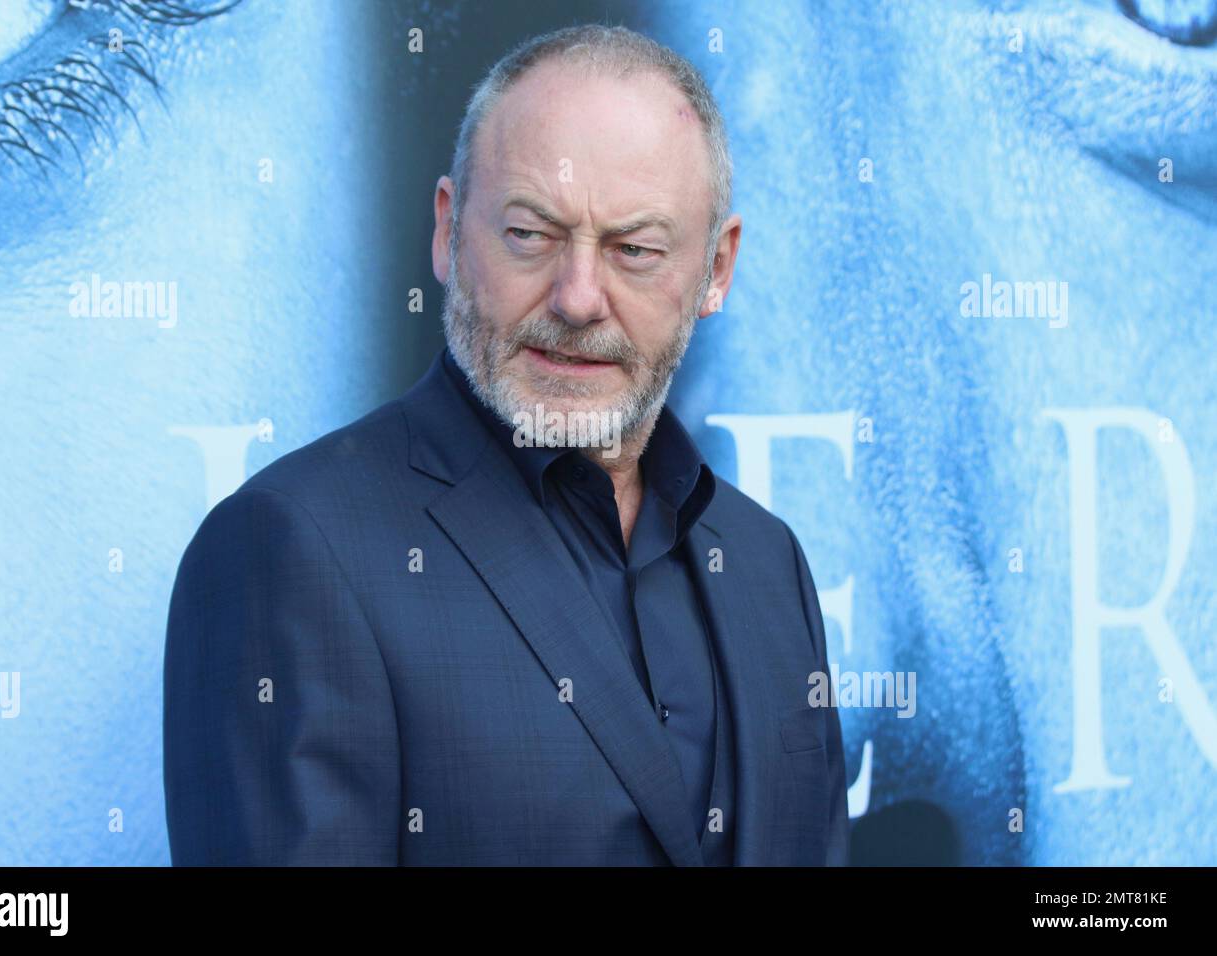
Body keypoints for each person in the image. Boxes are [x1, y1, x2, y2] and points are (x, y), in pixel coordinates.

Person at [164, 23, 848, 866]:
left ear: (716, 269)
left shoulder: (765, 560)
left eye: (635, 250)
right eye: (529, 235)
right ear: (449, 231)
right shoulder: (292, 547)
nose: (578, 297)